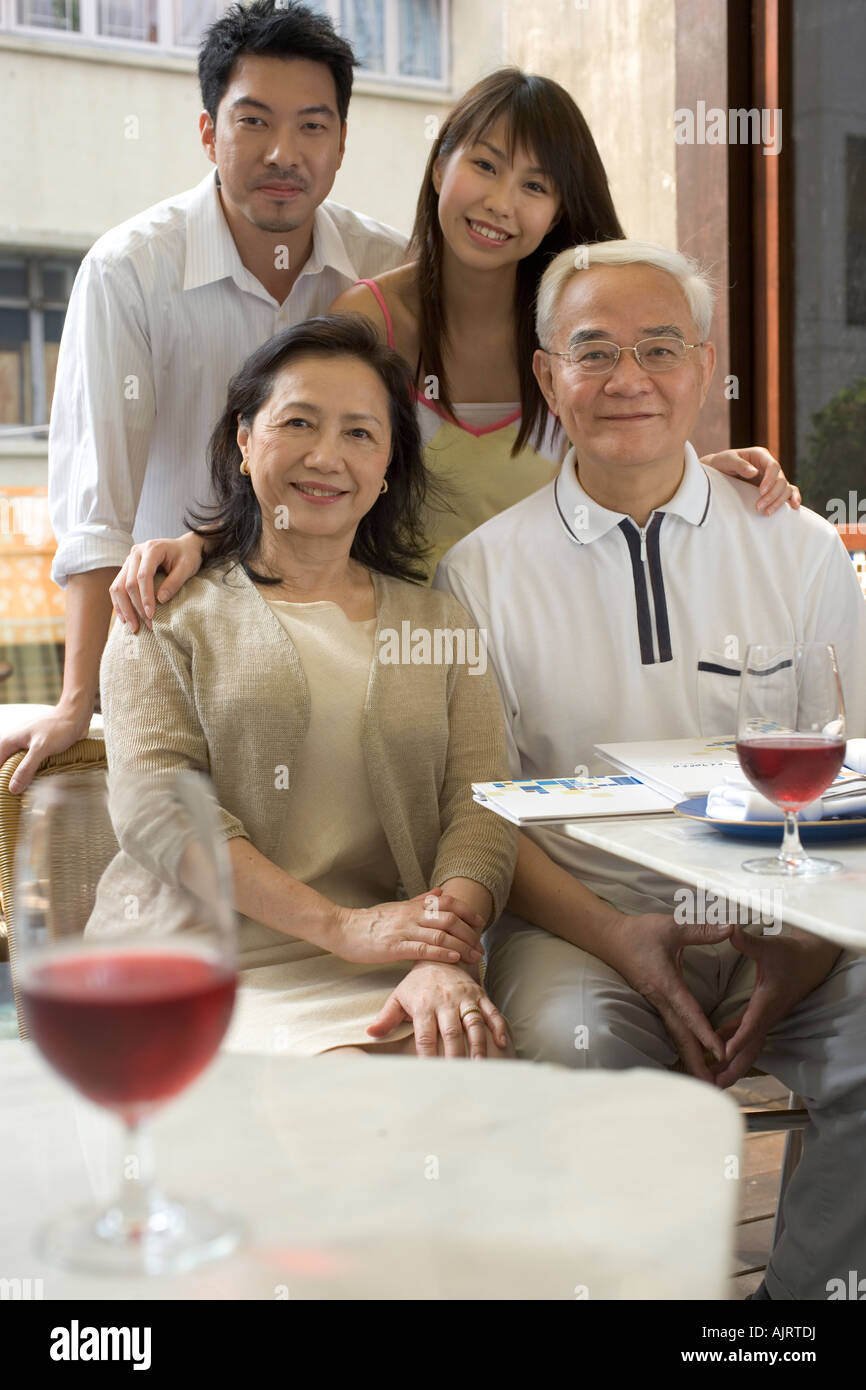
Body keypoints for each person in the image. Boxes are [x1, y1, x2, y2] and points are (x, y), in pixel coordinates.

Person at [434, 239, 866, 1298]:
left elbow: (853, 770)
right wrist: (622, 939)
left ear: (704, 368)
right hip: (584, 924)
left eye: (658, 347)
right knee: (573, 1057)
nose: (627, 378)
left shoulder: (799, 547)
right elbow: (482, 811)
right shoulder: (482, 570)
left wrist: (804, 948)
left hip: (791, 921)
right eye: (592, 351)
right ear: (546, 376)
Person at [106, 69, 798, 626]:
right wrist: (203, 541)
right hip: (402, 644)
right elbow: (296, 452)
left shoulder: (579, 337)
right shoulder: (371, 318)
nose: (501, 202)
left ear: (561, 209)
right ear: (441, 166)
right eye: (485, 166)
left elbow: (629, 450)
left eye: (535, 186)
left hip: (560, 630)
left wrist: (709, 473)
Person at [2, 0, 407, 793]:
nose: (283, 153)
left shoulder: (385, 268)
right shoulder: (131, 270)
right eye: (253, 121)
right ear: (207, 132)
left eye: (313, 126)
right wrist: (78, 702)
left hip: (347, 649)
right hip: (173, 643)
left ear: (342, 142)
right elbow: (95, 511)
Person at [99, 314, 517, 1059]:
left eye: (360, 433)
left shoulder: (439, 618)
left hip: (390, 965)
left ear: (389, 465)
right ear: (244, 439)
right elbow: (158, 814)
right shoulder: (163, 612)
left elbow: (481, 811)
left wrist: (438, 954)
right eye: (298, 422)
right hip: (199, 965)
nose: (326, 456)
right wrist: (343, 928)